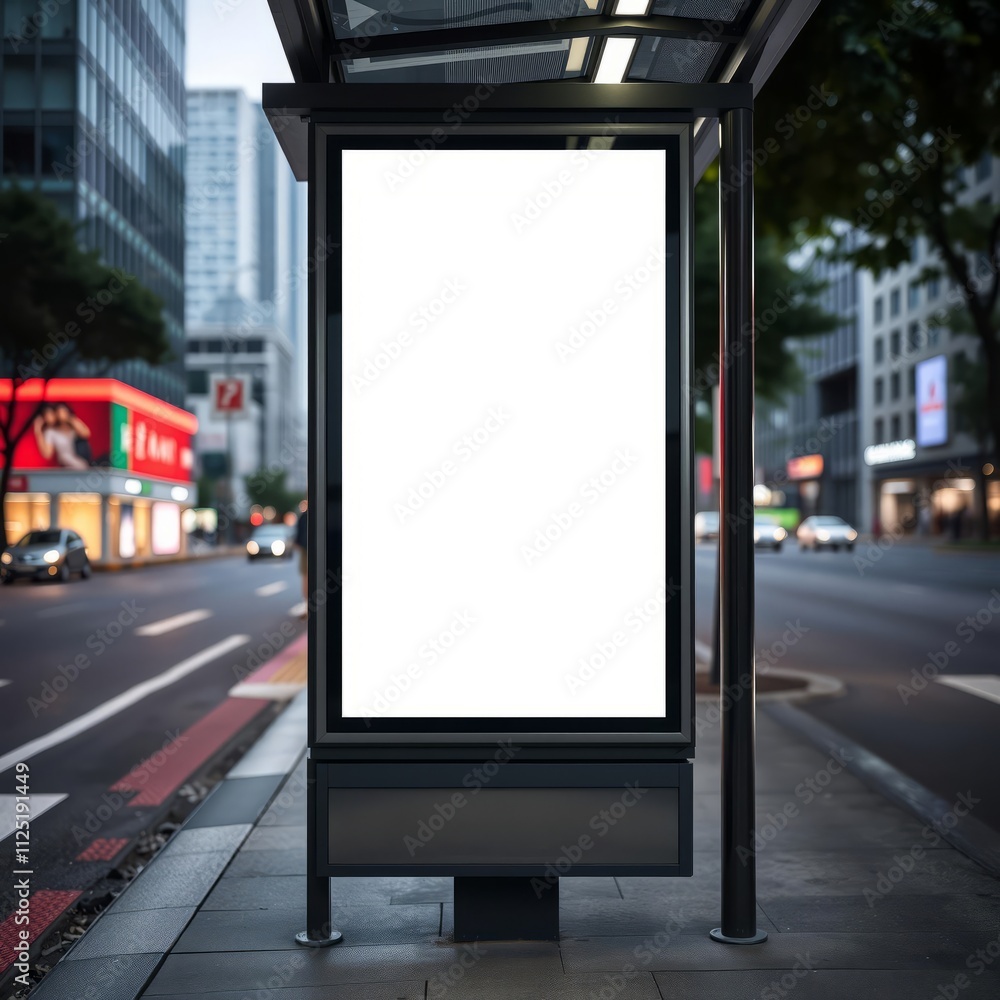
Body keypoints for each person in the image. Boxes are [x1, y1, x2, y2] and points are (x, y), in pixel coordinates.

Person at [33, 402, 91, 470]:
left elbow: (86, 434)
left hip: (83, 466)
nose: (61, 414)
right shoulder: (51, 432)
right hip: (67, 468)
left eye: (64, 411)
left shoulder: (73, 428)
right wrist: (38, 432)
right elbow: (47, 454)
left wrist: (69, 418)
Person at [295, 505, 308, 620]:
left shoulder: (304, 515)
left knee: (306, 577)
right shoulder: (304, 516)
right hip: (307, 548)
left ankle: (307, 606)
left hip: (305, 548)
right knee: (306, 577)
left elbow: (298, 537)